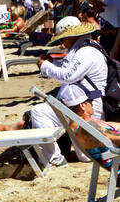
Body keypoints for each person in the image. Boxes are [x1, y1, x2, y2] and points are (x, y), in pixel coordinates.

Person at [25, 17, 109, 167]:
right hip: (78, 106)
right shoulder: (86, 48)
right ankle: (54, 157)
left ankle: (54, 157)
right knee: (39, 111)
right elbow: (71, 71)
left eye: (62, 39)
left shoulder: (87, 52)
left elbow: (67, 76)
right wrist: (52, 63)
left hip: (85, 108)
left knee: (86, 156)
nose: (61, 44)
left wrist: (45, 66)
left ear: (72, 35)